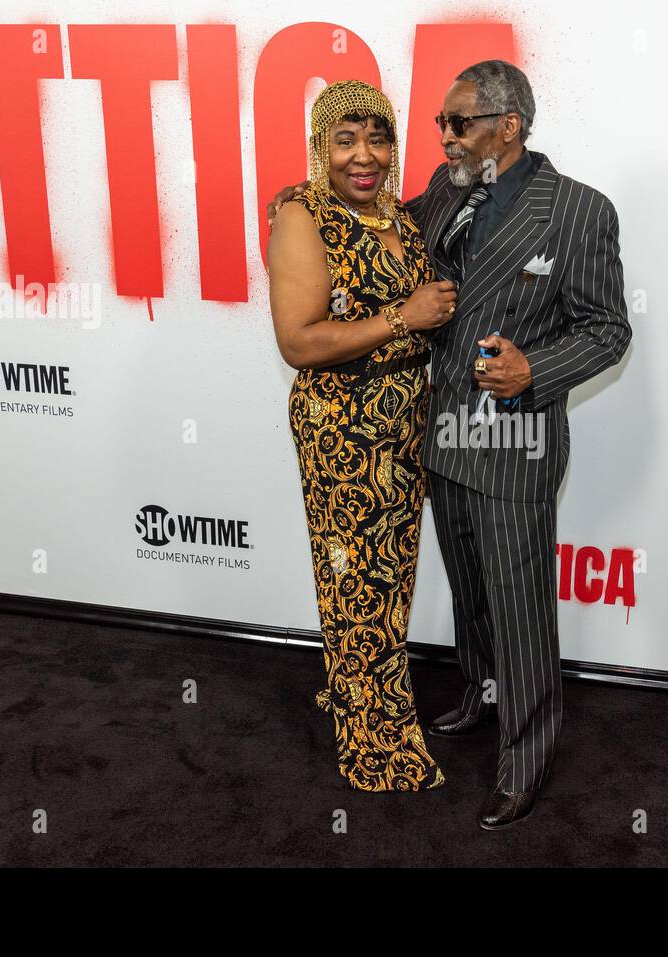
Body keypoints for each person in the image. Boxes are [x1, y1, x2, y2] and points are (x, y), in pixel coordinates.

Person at [270, 61, 631, 828]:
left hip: (515, 438)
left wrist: (535, 367)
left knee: (521, 604)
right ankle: (478, 692)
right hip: (434, 431)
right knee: (471, 592)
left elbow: (607, 329)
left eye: (457, 123)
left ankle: (524, 757)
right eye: (438, 124)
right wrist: (302, 207)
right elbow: (371, 224)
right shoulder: (443, 190)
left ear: (510, 125)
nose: (442, 137)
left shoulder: (577, 209)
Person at [265, 79, 458, 792]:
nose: (363, 155)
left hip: (403, 424)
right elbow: (299, 340)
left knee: (387, 578)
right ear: (320, 147)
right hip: (342, 427)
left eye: (376, 138)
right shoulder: (302, 218)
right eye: (344, 140)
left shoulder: (397, 217)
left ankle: (360, 686)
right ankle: (373, 732)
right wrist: (404, 317)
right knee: (355, 578)